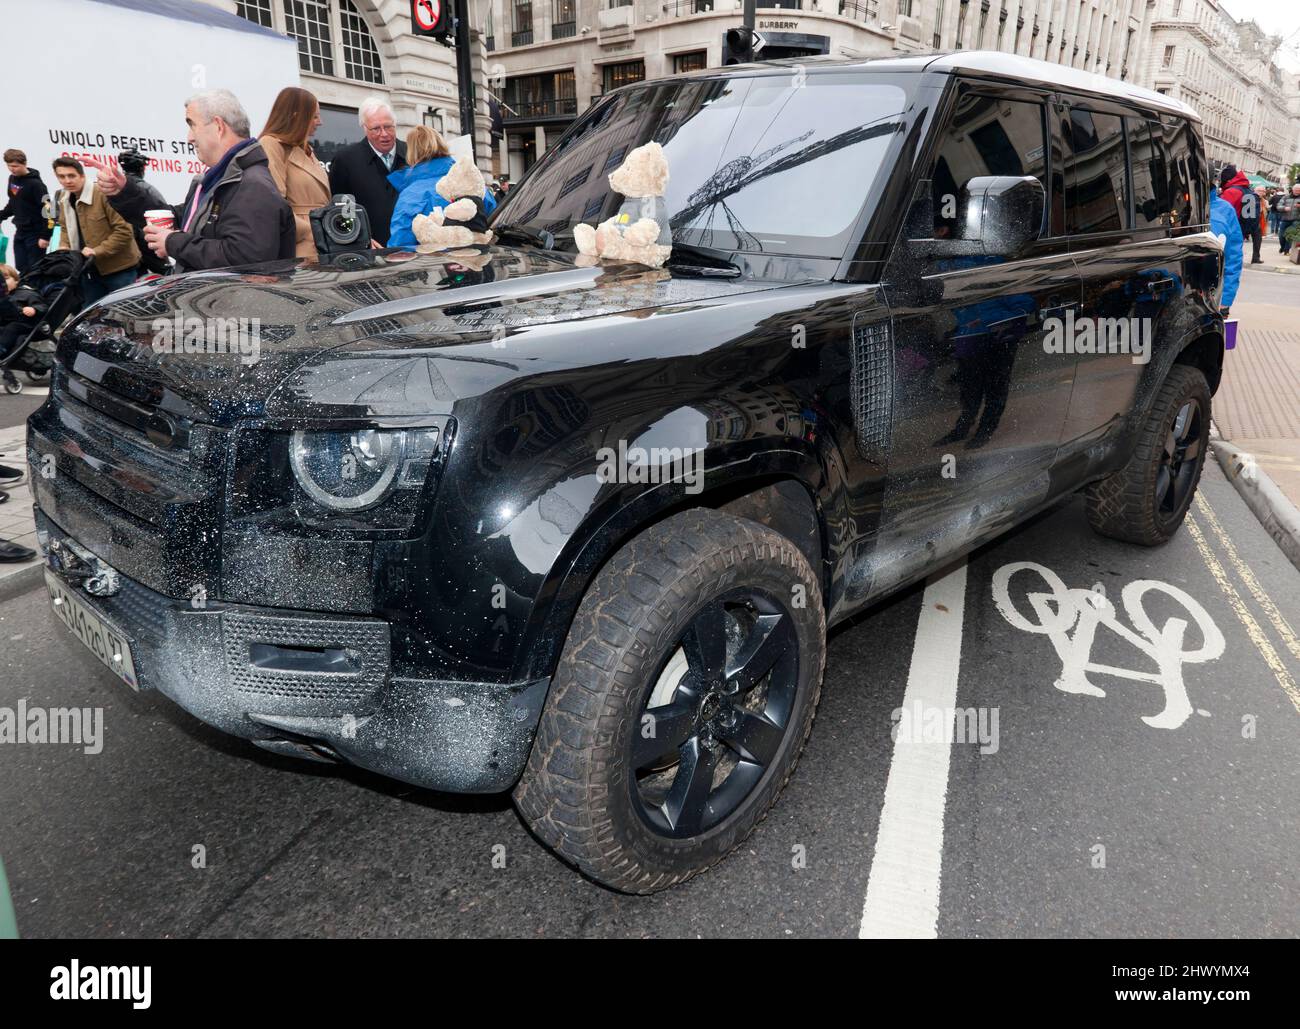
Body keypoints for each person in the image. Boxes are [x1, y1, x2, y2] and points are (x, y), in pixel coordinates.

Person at [90, 89, 294, 273]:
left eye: (192, 125)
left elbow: (246, 259)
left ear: (218, 126)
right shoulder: (217, 180)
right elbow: (179, 220)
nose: (189, 138)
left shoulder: (252, 185)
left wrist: (173, 242)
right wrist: (124, 191)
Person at [386, 126, 497, 248]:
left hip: (430, 265)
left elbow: (400, 248)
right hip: (477, 261)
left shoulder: (410, 195)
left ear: (412, 152)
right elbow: (496, 228)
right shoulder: (474, 185)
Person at [51, 157, 140, 307]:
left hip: (119, 269)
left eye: (71, 176)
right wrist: (64, 246)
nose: (67, 181)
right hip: (87, 271)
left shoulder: (102, 193)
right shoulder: (63, 197)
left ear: (82, 175)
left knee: (126, 315)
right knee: (91, 320)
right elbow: (65, 227)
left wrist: (96, 251)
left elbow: (124, 231)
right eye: (61, 176)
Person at [259, 86, 330, 260]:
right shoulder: (271, 144)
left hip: (324, 239)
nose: (319, 122)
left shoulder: (307, 150)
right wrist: (309, 232)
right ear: (297, 116)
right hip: (301, 245)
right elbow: (275, 204)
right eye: (314, 116)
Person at [327, 97, 407, 246]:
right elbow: (343, 211)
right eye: (376, 128)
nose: (384, 134)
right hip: (370, 252)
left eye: (388, 126)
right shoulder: (345, 160)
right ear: (364, 128)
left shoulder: (413, 154)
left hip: (413, 250)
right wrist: (361, 239)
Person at [105, 147, 171, 276]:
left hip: (128, 252)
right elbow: (163, 217)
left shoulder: (118, 189)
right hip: (146, 245)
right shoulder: (148, 190)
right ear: (142, 168)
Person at [1, 149, 54, 273]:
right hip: (20, 231)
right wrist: (1, 216)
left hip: (36, 233)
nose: (12, 169)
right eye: (9, 166)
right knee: (20, 266)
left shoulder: (36, 184)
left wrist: (45, 236)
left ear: (24, 163)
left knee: (35, 268)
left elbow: (49, 210)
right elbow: (13, 203)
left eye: (15, 166)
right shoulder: (12, 179)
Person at [1209, 182, 1242, 315]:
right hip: (1155, 290)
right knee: (1141, 330)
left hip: (1209, 296)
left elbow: (1233, 258)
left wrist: (1226, 301)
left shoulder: (1225, 210)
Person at [1277, 184, 1300, 256]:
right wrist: (1284, 208)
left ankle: (1286, 250)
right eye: (1296, 190)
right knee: (1281, 236)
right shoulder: (1285, 197)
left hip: (1296, 220)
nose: (1297, 191)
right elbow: (1278, 206)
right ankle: (1283, 247)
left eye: (1299, 190)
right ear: (1292, 190)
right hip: (1284, 219)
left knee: (1290, 235)